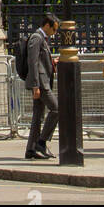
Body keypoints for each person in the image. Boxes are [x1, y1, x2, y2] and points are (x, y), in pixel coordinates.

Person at [24, 12, 59, 160]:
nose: (54, 33)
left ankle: (31, 150)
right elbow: (32, 63)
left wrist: (53, 62)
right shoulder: (37, 38)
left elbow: (40, 61)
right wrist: (35, 86)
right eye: (54, 29)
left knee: (38, 116)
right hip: (41, 84)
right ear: (46, 25)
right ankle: (41, 142)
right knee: (57, 109)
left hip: (42, 82)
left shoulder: (41, 39)